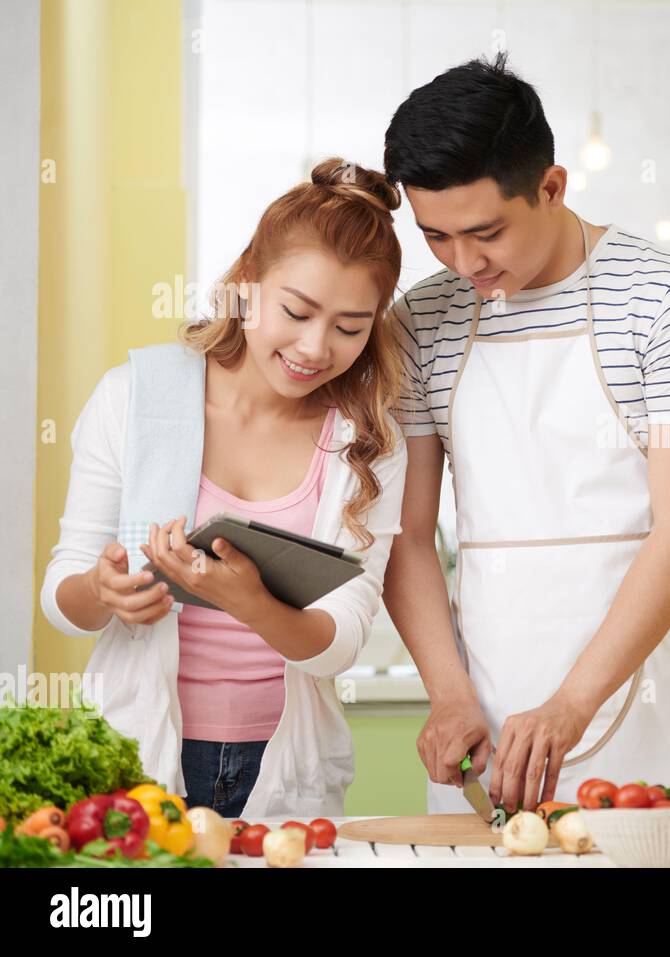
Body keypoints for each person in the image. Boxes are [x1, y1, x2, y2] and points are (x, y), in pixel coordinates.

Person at [382, 55, 670, 814]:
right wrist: (450, 697)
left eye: (486, 232)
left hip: (644, 723)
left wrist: (570, 705)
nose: (465, 263)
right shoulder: (423, 320)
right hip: (483, 726)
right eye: (437, 237)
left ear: (552, 187)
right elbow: (409, 535)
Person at [39, 158, 409, 819]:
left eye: (351, 327)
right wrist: (103, 590)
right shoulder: (132, 399)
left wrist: (249, 601)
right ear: (246, 283)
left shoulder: (367, 438)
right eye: (296, 311)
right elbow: (62, 594)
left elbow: (342, 640)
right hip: (137, 759)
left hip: (285, 767)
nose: (315, 347)